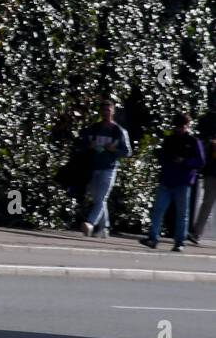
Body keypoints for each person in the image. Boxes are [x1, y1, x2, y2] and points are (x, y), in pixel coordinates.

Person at [140, 113, 206, 251]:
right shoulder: (169, 140)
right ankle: (153, 238)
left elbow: (200, 161)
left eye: (182, 126)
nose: (179, 129)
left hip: (183, 181)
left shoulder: (193, 141)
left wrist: (185, 162)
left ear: (187, 126)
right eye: (177, 127)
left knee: (182, 213)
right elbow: (162, 156)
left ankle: (179, 242)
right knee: (158, 210)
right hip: (167, 179)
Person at [79, 97, 131, 238]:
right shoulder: (94, 129)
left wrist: (114, 150)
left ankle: (90, 223)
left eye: (108, 110)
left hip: (109, 168)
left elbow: (127, 152)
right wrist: (88, 147)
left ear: (113, 111)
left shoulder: (118, 131)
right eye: (103, 110)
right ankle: (104, 228)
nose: (106, 113)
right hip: (94, 167)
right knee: (99, 200)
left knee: (101, 198)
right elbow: (82, 145)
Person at [190, 127, 216, 244]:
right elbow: (206, 159)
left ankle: (196, 232)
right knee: (207, 204)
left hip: (210, 175)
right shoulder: (213, 144)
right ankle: (196, 232)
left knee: (207, 204)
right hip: (211, 176)